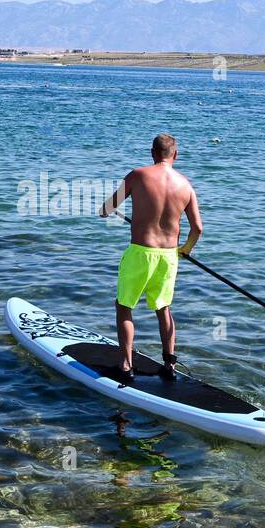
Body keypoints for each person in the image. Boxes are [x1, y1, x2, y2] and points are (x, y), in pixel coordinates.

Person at [97, 133, 202, 382]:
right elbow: (197, 228)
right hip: (169, 256)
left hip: (140, 253)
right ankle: (169, 364)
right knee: (163, 308)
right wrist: (185, 249)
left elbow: (107, 208)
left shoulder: (138, 175)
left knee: (124, 306)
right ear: (175, 154)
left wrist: (105, 210)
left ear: (152, 152)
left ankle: (125, 366)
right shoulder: (185, 185)